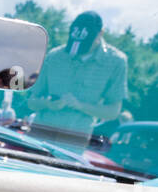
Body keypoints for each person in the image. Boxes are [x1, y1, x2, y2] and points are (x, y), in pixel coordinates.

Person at [25, 11, 127, 144]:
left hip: (73, 142)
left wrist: (79, 105)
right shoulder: (54, 56)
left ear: (100, 33)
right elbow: (31, 102)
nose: (77, 50)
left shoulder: (116, 62)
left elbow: (113, 112)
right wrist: (47, 104)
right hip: (39, 135)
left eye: (85, 44)